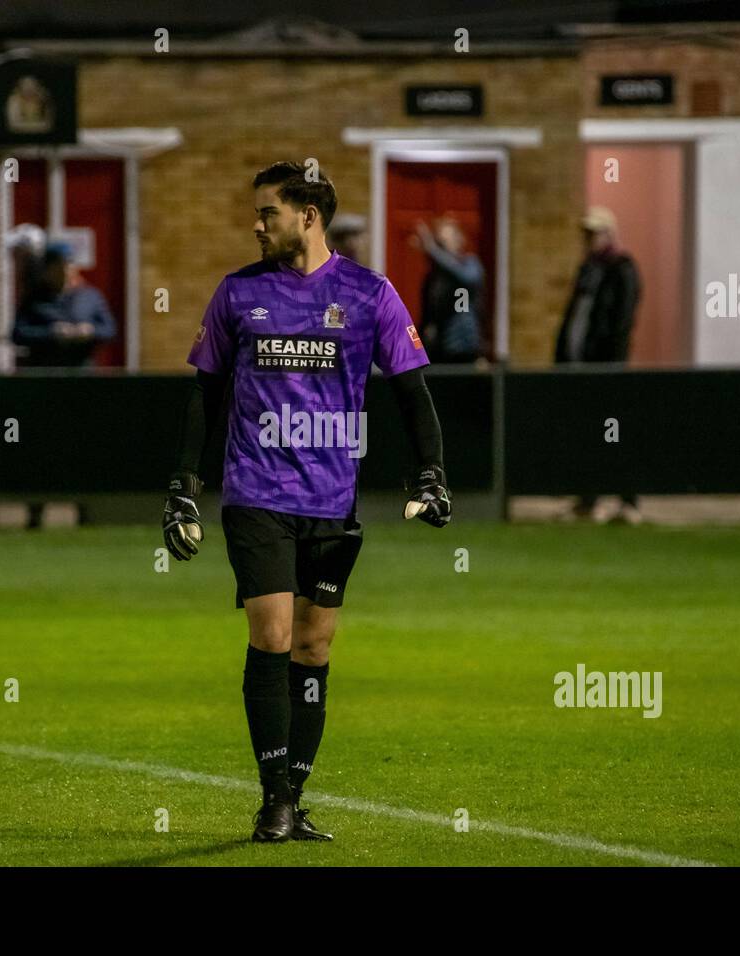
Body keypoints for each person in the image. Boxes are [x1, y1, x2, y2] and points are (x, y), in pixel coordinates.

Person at [161, 161, 451, 843]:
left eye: (269, 213)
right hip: (256, 492)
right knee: (274, 634)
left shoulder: (368, 293)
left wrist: (431, 473)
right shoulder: (238, 295)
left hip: (331, 499)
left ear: (308, 216)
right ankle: (273, 801)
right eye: (258, 214)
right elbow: (203, 394)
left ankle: (294, 793)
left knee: (314, 649)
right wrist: (184, 487)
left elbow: (412, 391)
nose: (257, 225)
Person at [13, 241, 118, 529]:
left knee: (80, 446)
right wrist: (51, 333)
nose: (66, 272)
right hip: (44, 383)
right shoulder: (35, 299)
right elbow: (18, 333)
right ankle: (36, 511)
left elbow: (110, 329)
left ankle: (83, 509)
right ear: (48, 270)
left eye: (69, 265)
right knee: (42, 448)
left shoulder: (89, 297)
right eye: (59, 266)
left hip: (80, 383)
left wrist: (89, 331)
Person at [554, 206, 642, 525]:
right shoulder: (588, 270)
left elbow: (622, 321)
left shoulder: (622, 269)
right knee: (588, 435)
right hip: (582, 367)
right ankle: (588, 501)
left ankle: (628, 501)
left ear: (609, 234)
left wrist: (612, 363)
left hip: (606, 368)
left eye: (594, 233)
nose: (588, 240)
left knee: (613, 434)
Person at [415, 216, 485, 363]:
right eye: (439, 244)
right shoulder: (433, 278)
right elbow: (427, 317)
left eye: (444, 243)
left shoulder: (470, 264)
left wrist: (431, 249)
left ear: (459, 241)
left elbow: (465, 278)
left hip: (465, 349)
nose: (441, 251)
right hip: (439, 351)